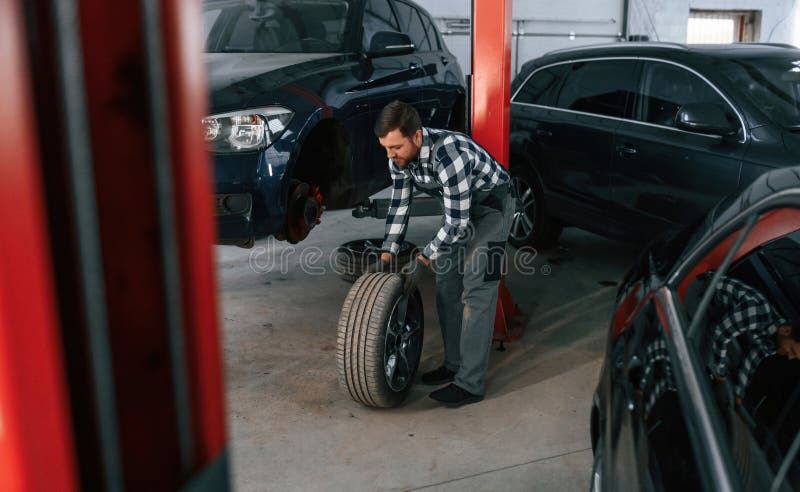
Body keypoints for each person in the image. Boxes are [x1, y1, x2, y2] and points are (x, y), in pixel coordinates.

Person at [372, 100, 514, 408]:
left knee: (478, 286)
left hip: (493, 208)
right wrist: (387, 254)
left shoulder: (449, 155)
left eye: (395, 147)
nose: (390, 155)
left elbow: (457, 223)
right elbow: (399, 206)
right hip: (459, 209)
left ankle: (470, 384)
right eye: (385, 148)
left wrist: (423, 259)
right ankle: (453, 363)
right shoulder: (398, 159)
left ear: (417, 137)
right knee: (447, 283)